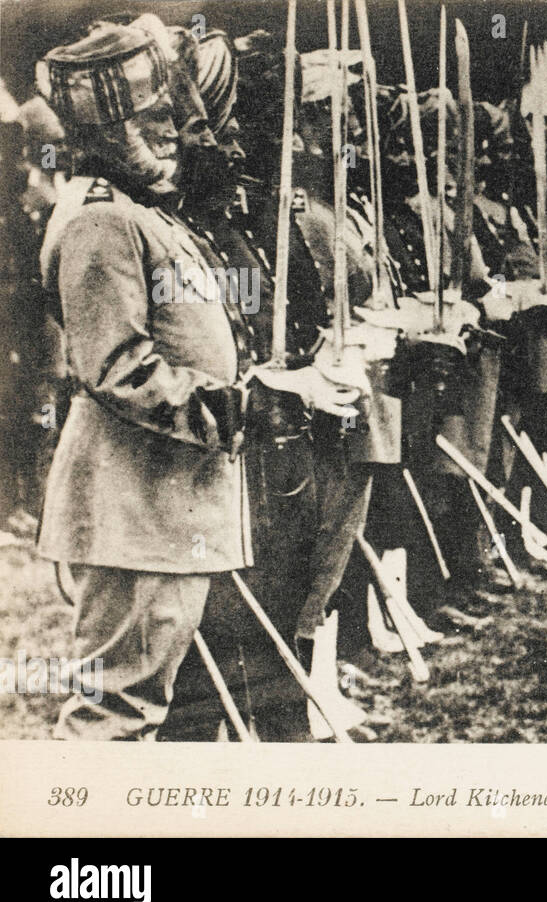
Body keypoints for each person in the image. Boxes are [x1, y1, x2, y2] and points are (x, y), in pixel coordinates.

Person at [35, 21, 357, 740]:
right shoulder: (102, 223)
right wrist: (248, 405)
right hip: (132, 513)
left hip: (168, 507)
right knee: (114, 713)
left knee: (149, 708)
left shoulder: (145, 214)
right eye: (152, 121)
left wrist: (280, 385)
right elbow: (119, 370)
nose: (177, 134)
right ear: (107, 130)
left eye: (174, 117)